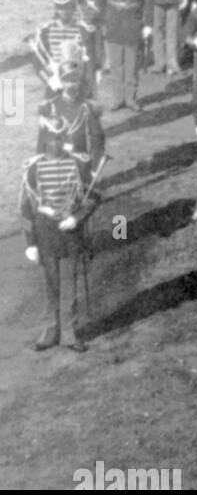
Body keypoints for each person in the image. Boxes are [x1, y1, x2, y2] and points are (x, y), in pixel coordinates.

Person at [20, 124, 102, 352]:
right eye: (50, 139)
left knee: (69, 283)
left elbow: (93, 195)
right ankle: (50, 331)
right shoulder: (32, 168)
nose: (55, 144)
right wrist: (30, 243)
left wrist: (77, 218)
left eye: (59, 139)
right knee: (50, 284)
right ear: (44, 142)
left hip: (70, 231)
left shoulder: (79, 164)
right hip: (44, 230)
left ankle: (69, 333)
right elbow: (26, 207)